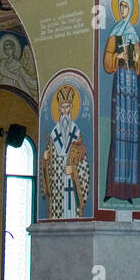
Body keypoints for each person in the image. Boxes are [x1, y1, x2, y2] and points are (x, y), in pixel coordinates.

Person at [103, 0, 140, 202]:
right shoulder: (114, 33)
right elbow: (107, 59)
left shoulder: (134, 34)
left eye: (127, 8)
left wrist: (136, 58)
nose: (124, 11)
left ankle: (130, 190)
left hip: (133, 91)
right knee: (118, 137)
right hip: (120, 87)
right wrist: (118, 56)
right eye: (121, 7)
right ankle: (115, 188)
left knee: (132, 138)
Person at [40, 85, 89, 219]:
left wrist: (74, 169)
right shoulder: (54, 133)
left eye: (68, 107)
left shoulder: (76, 132)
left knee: (72, 208)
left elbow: (83, 160)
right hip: (57, 182)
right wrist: (45, 160)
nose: (65, 111)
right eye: (63, 107)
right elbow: (49, 158)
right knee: (58, 210)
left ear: (71, 108)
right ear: (59, 109)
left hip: (71, 180)